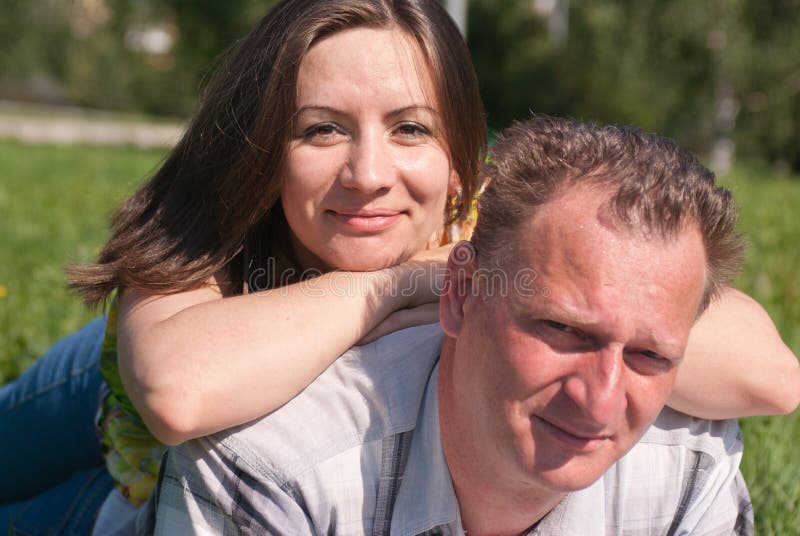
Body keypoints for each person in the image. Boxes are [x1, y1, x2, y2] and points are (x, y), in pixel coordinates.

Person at [1, 0, 798, 532]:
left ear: (461, 154)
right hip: (115, 401)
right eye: (320, 131)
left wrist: (525, 295)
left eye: (412, 129)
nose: (368, 174)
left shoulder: (498, 224)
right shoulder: (213, 220)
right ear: (261, 147)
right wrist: (408, 282)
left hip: (127, 496)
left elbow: (769, 376)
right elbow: (175, 392)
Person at [148, 115, 756, 535]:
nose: (598, 404)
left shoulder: (687, 470)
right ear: (460, 292)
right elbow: (174, 384)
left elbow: (777, 378)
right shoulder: (273, 470)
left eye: (650, 357)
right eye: (562, 330)